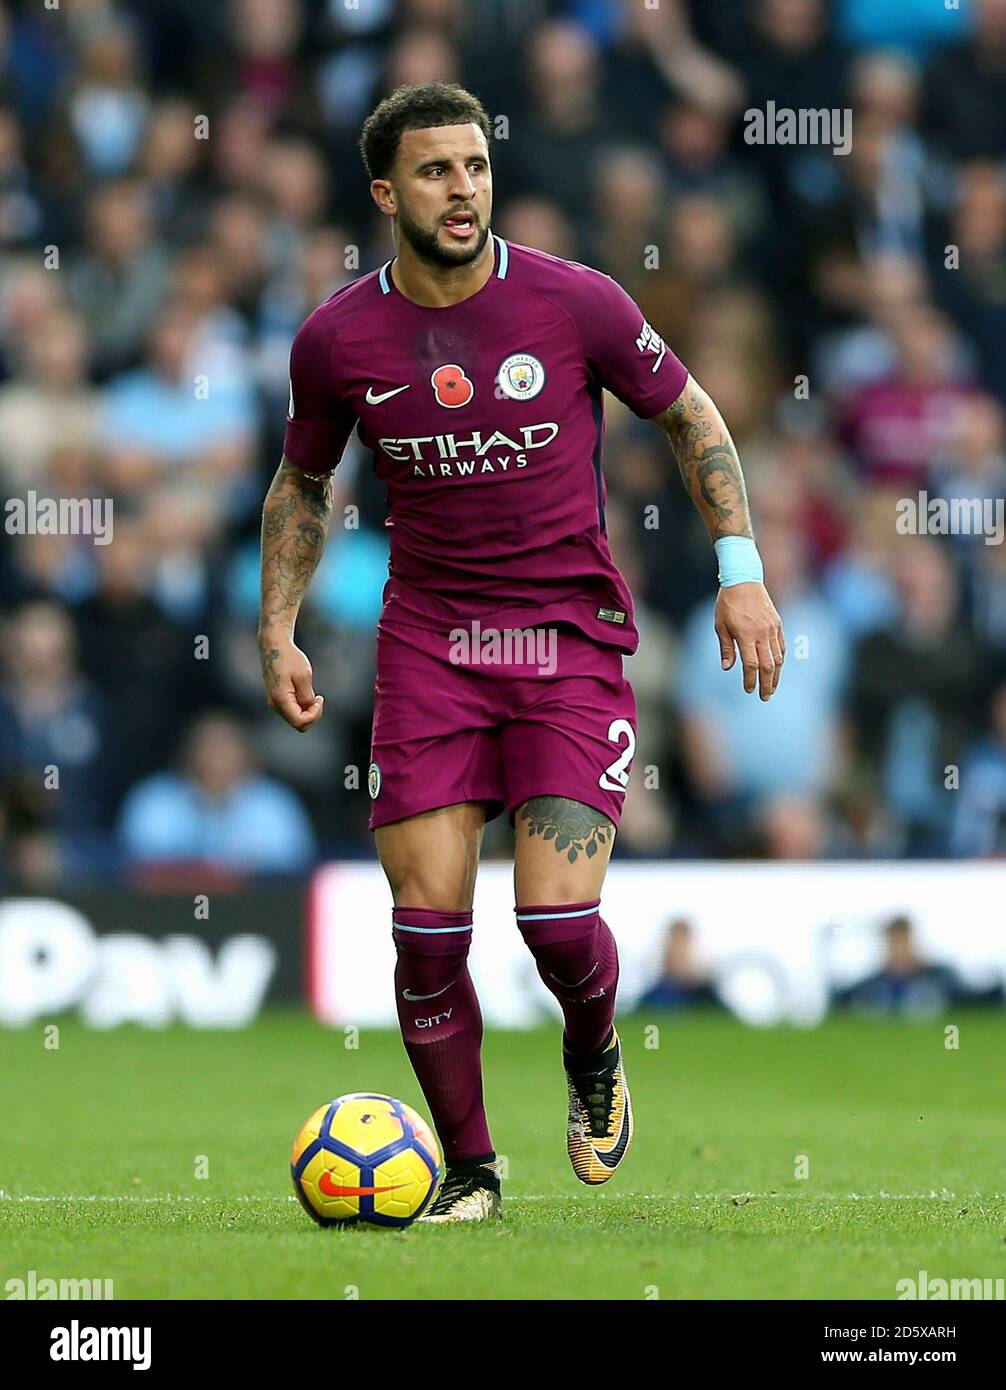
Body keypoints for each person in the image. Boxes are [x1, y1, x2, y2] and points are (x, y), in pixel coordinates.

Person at [257, 82, 785, 1222]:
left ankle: (592, 1057)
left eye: (477, 166)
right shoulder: (338, 338)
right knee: (427, 929)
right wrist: (276, 624)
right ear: (386, 192)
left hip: (566, 645)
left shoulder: (576, 302)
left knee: (551, 919)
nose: (464, 189)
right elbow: (304, 482)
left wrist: (740, 576)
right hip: (429, 651)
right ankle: (472, 1168)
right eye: (438, 171)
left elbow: (692, 416)